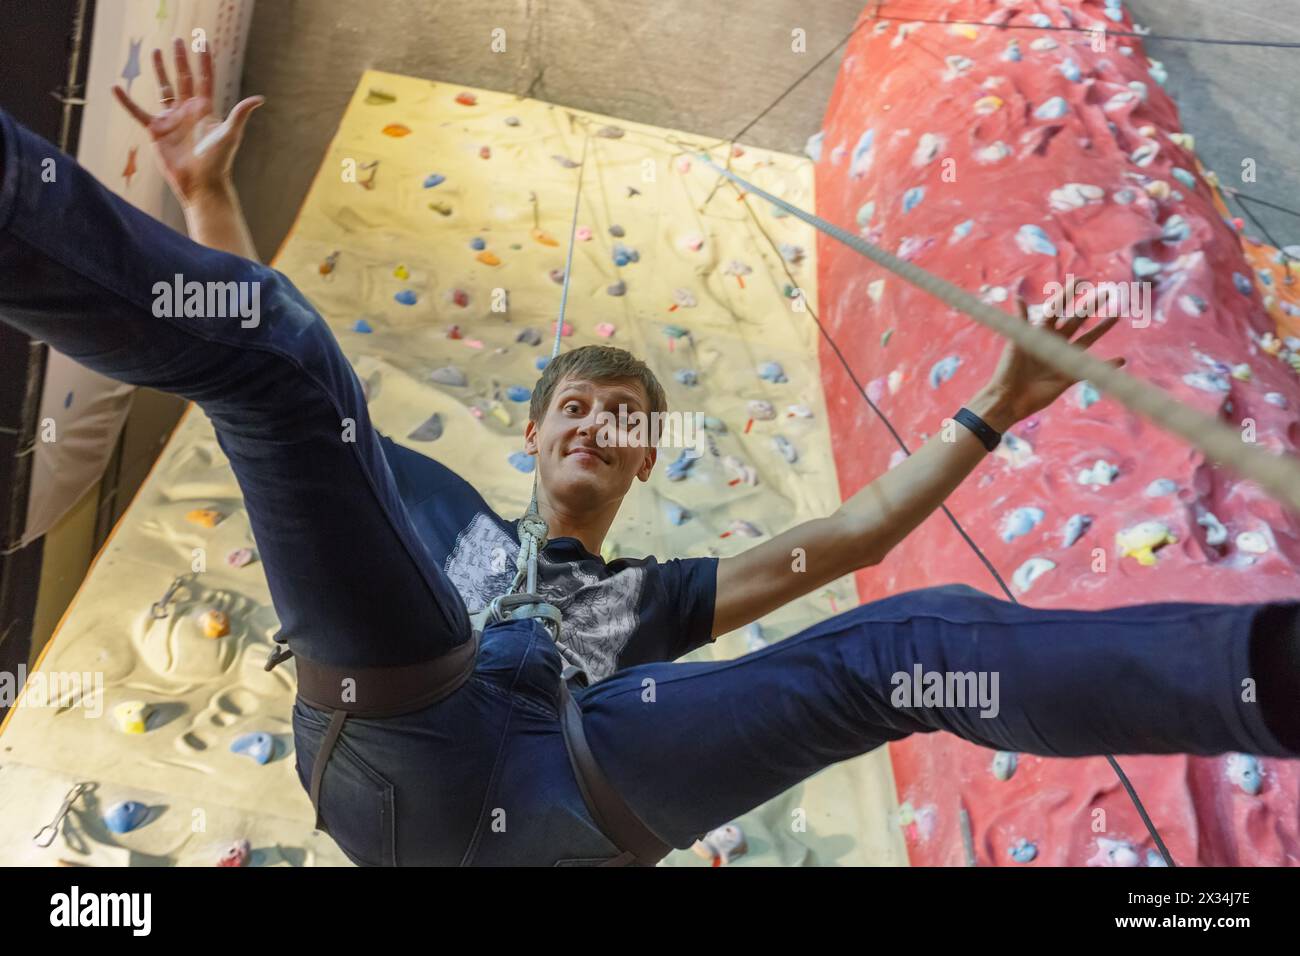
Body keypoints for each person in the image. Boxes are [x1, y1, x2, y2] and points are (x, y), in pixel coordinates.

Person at [1, 42, 1295, 867]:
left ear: (638, 464)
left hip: (571, 788)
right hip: (395, 733)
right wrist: (207, 195)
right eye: (576, 407)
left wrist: (993, 410)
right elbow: (279, 399)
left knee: (900, 650)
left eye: (624, 420)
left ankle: (1266, 675)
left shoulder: (655, 598)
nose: (596, 426)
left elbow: (851, 539)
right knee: (287, 363)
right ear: (534, 434)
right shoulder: (432, 510)